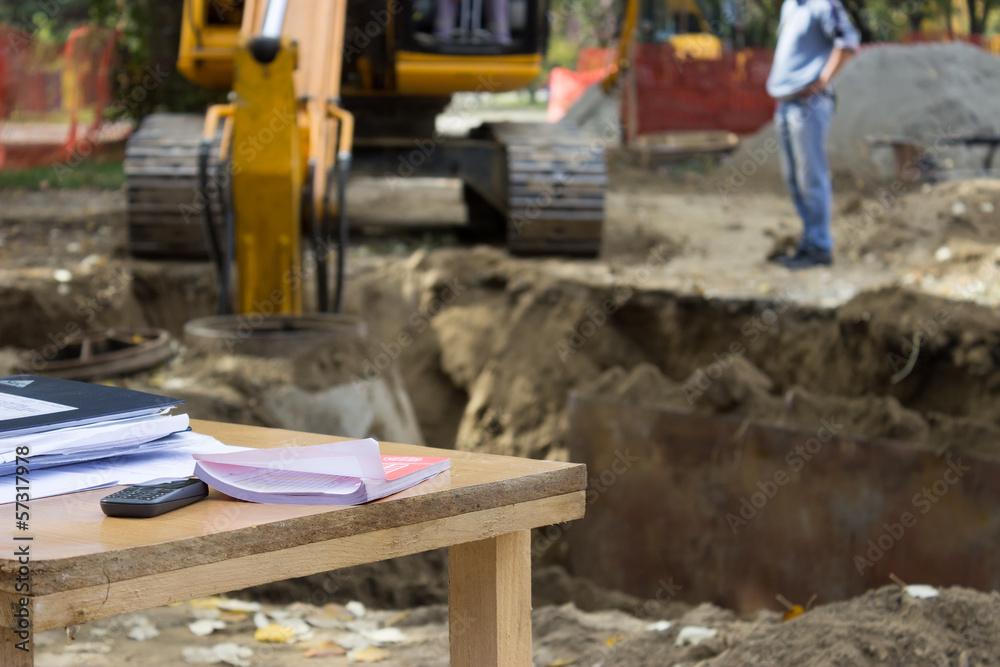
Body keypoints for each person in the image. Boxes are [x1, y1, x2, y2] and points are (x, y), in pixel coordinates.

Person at [766, 0, 859, 269]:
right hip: (786, 102)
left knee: (811, 178)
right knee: (795, 179)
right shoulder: (790, 6)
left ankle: (819, 247)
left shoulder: (823, 4)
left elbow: (848, 42)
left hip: (808, 105)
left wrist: (823, 80)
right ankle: (809, 242)